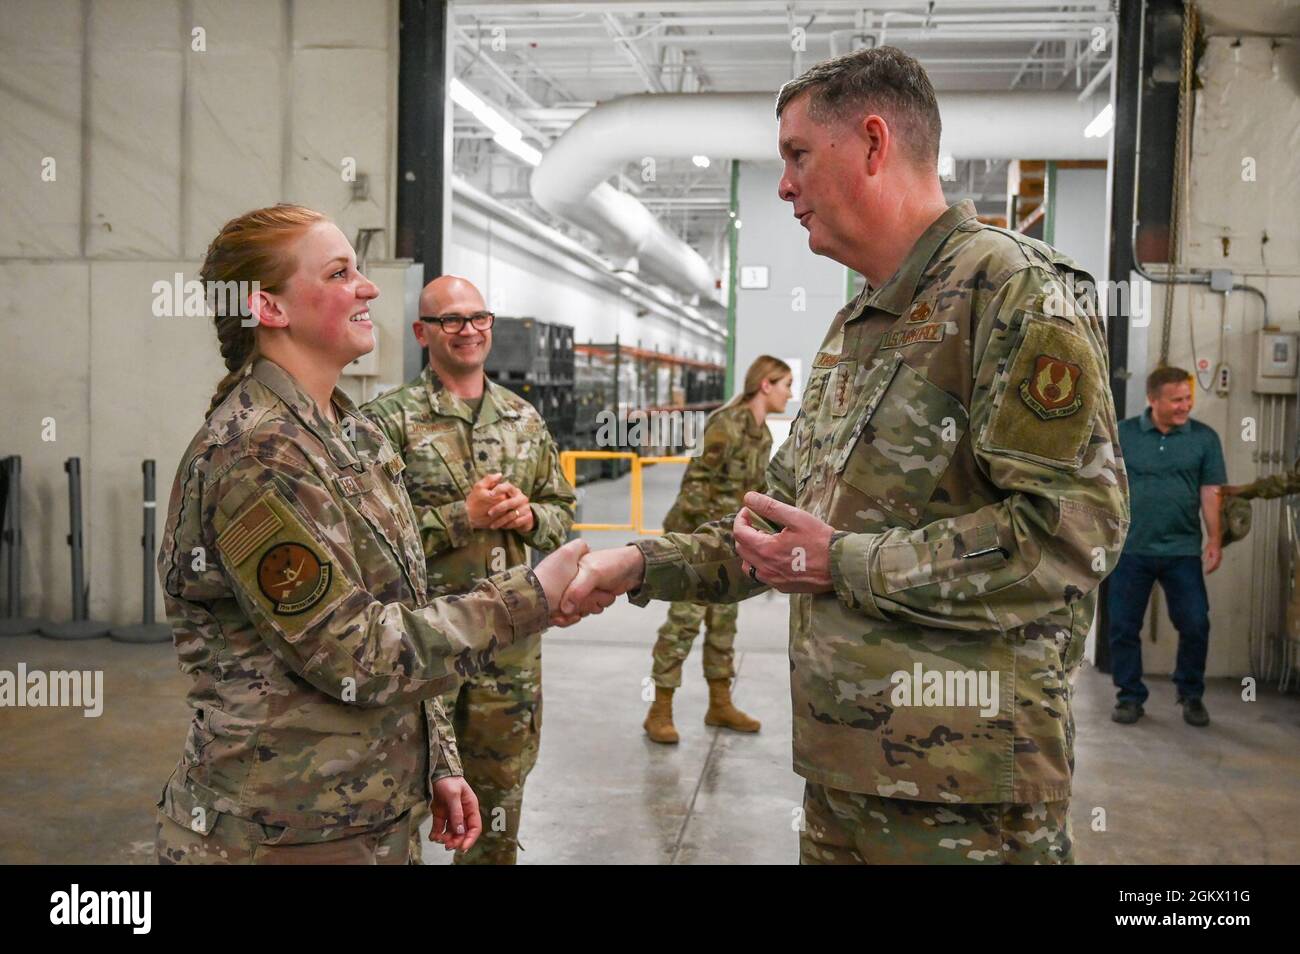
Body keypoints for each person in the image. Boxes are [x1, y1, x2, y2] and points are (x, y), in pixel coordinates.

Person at [562, 46, 1128, 864]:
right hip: (846, 775)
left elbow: (1075, 534)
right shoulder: (856, 328)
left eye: (797, 155)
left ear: (871, 143)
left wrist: (847, 563)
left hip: (967, 796)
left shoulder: (1012, 294)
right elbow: (778, 538)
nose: (785, 185)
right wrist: (637, 566)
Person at [155, 204, 600, 864]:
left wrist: (438, 757)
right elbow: (356, 652)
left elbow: (403, 610)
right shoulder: (258, 456)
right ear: (270, 309)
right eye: (340, 272)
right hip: (283, 831)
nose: (367, 287)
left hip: (364, 811)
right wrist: (526, 598)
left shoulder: (348, 433)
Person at [363, 275, 576, 865]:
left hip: (508, 650)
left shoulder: (523, 419)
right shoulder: (386, 423)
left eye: (478, 318)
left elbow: (562, 515)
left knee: (500, 793)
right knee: (396, 799)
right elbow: (369, 544)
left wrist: (530, 516)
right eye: (450, 320)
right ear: (422, 332)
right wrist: (464, 516)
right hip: (421, 648)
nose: (468, 330)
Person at [644, 356, 792, 743]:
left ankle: (719, 703)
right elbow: (695, 482)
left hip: (731, 543)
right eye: (786, 385)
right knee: (684, 623)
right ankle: (659, 708)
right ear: (765, 385)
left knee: (724, 623)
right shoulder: (726, 423)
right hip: (698, 540)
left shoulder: (760, 431)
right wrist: (697, 549)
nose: (790, 394)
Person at [1107, 366, 1225, 728]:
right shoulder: (1123, 434)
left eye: (1187, 398)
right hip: (1130, 549)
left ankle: (1190, 694)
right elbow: (1103, 485)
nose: (1184, 406)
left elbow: (1210, 492)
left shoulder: (1204, 439)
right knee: (1124, 627)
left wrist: (1215, 539)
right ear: (1152, 400)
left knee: (1195, 623)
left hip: (1182, 550)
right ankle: (1129, 697)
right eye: (1176, 400)